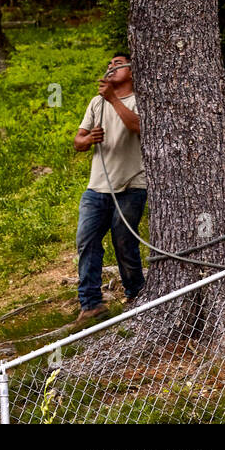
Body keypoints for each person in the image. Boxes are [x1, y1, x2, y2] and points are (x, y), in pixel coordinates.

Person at [71, 53, 146, 320]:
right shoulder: (96, 103)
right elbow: (78, 142)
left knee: (124, 239)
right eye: (109, 64)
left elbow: (139, 126)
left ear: (133, 71)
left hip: (131, 184)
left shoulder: (140, 100)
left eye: (118, 64)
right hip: (97, 188)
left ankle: (136, 295)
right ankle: (91, 304)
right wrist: (90, 138)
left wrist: (114, 100)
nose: (111, 67)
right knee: (86, 241)